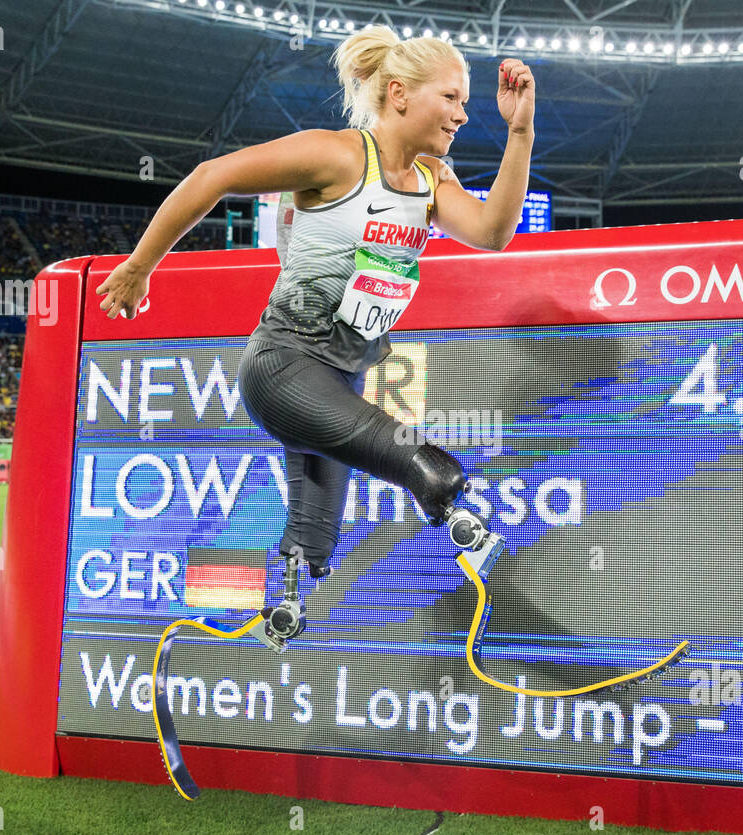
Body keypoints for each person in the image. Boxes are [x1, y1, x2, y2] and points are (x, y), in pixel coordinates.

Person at [95, 26, 534, 649]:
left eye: (466, 101)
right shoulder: (336, 156)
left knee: (314, 544)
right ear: (400, 94)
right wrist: (141, 266)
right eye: (451, 98)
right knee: (427, 468)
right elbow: (211, 175)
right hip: (283, 368)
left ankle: (270, 635)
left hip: (338, 379)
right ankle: (481, 548)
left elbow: (492, 232)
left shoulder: (433, 179)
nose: (464, 114)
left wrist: (519, 133)